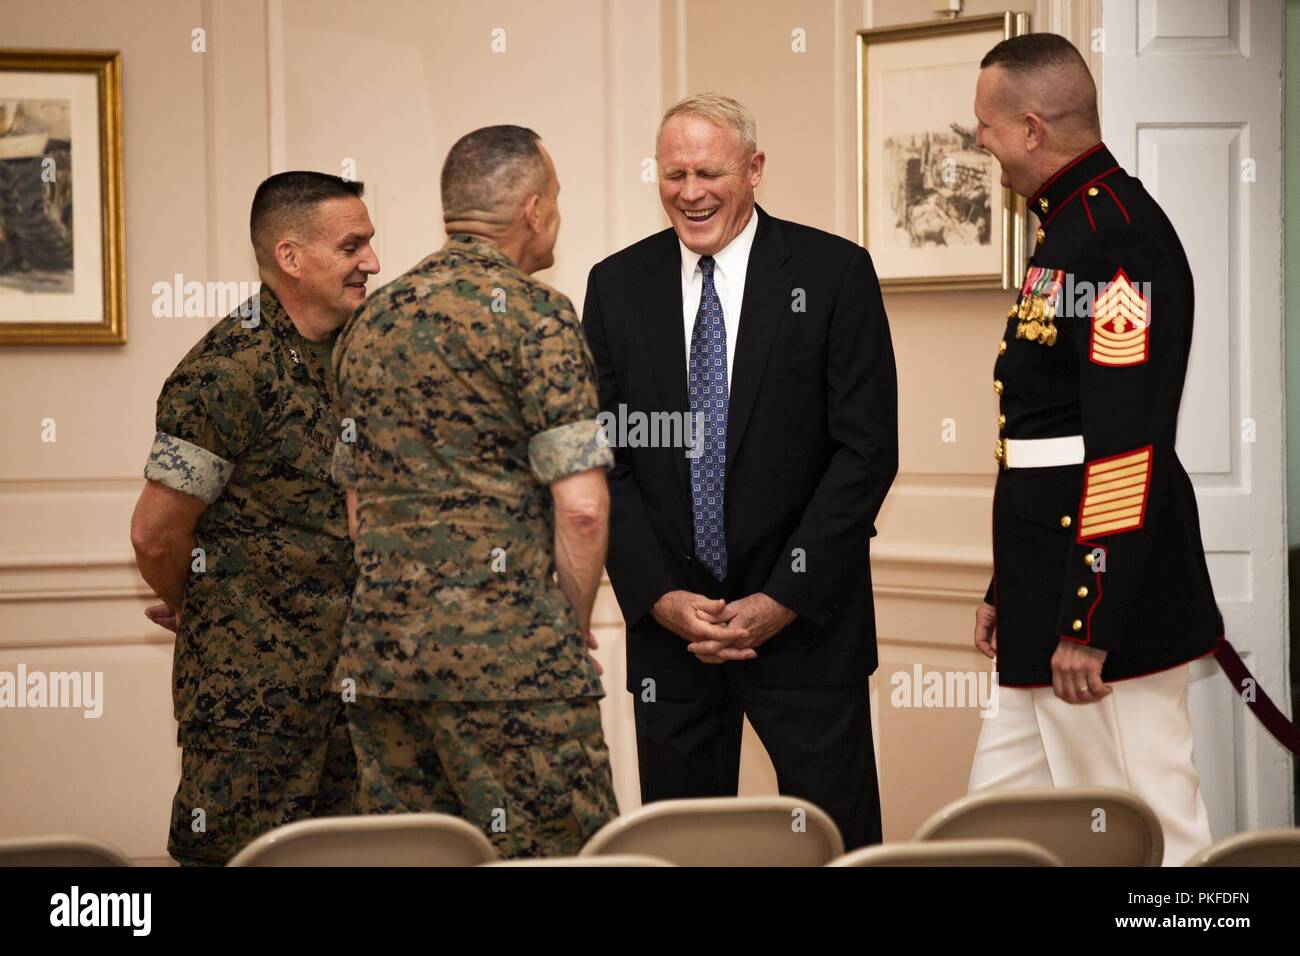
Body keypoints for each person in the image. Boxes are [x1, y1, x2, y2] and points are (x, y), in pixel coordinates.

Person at [582, 93, 898, 850]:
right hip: (674, 642)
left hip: (806, 627)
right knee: (683, 852)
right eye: (673, 173)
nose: (690, 192)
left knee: (839, 843)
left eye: (709, 172)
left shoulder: (832, 274)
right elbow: (603, 457)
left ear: (754, 169)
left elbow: (866, 454)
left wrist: (782, 596)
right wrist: (657, 595)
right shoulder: (616, 284)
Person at [332, 125, 618, 858]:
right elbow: (581, 509)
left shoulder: (368, 322)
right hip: (513, 668)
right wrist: (568, 624)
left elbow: (358, 508)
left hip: (385, 665)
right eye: (555, 197)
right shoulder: (537, 317)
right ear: (533, 209)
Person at [969, 33, 1219, 865]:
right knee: (992, 827)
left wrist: (1089, 616)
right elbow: (1044, 437)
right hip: (1045, 580)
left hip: (1105, 596)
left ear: (1033, 128)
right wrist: (1011, 584)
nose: (981, 141)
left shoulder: (1117, 240)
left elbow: (1124, 444)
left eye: (988, 125)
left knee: (1149, 828)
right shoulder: (1069, 227)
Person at [130, 171, 380, 865]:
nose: (372, 261)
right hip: (256, 712)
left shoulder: (363, 354)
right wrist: (203, 600)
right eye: (352, 245)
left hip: (355, 699)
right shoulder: (227, 373)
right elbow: (155, 533)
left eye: (370, 242)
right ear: (291, 257)